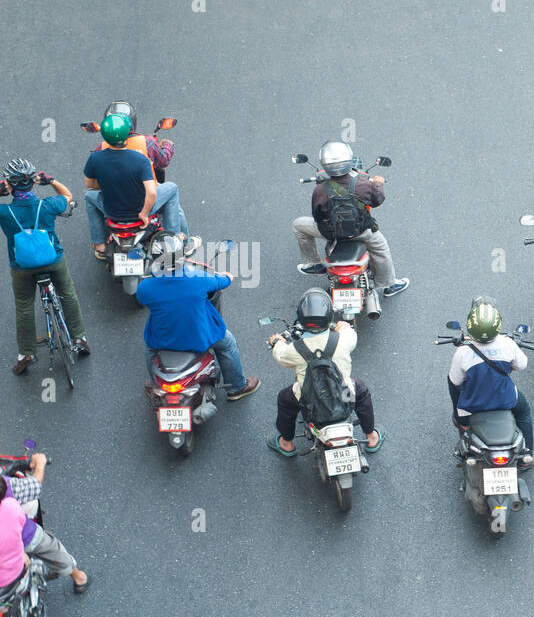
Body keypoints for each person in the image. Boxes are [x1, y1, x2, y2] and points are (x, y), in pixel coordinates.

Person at [136, 233, 260, 400]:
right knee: (228, 344)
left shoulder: (145, 286)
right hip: (200, 338)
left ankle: (153, 383)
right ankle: (237, 387)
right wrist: (227, 276)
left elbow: (143, 300)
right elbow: (222, 282)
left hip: (162, 339)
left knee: (149, 350)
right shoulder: (198, 278)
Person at [267, 288, 384, 456]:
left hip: (309, 401)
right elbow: (349, 332)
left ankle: (286, 443)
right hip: (344, 395)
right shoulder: (344, 338)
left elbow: (280, 354)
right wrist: (342, 326)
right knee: (362, 391)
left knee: (284, 399)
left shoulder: (293, 350)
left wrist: (277, 341)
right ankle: (371, 436)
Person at [0, 159, 90, 374]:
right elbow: (68, 197)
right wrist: (51, 181)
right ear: (33, 182)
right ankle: (79, 337)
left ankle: (27, 353)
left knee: (23, 305)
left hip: (22, 267)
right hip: (53, 261)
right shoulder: (47, 205)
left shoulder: (5, 212)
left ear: (9, 185)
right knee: (67, 293)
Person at [293, 140, 408, 298]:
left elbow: (317, 215)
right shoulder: (363, 184)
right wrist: (378, 184)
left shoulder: (320, 190)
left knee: (298, 225)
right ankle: (389, 284)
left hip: (330, 233)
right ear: (348, 161)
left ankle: (314, 263)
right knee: (381, 250)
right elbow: (378, 200)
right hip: (361, 232)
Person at [83, 113, 195, 261]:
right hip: (139, 212)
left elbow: (90, 185)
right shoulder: (140, 159)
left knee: (88, 196)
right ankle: (173, 239)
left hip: (112, 212)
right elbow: (152, 193)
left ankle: (99, 244)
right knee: (172, 188)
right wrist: (143, 214)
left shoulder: (95, 157)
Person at [446, 297, 534, 467]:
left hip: (473, 405)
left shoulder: (463, 352)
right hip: (505, 399)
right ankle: (526, 456)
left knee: (453, 389)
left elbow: (455, 382)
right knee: (524, 413)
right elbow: (522, 364)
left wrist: (461, 418)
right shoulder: (508, 344)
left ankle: (464, 448)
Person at [1, 458, 91, 594]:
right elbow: (35, 486)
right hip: (23, 546)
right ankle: (79, 577)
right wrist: (40, 464)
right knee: (52, 548)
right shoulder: (10, 505)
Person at [91, 101, 174, 181]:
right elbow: (164, 161)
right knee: (172, 187)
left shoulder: (101, 147)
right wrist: (167, 144)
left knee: (91, 193)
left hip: (112, 193)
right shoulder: (147, 142)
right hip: (143, 192)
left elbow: (92, 177)